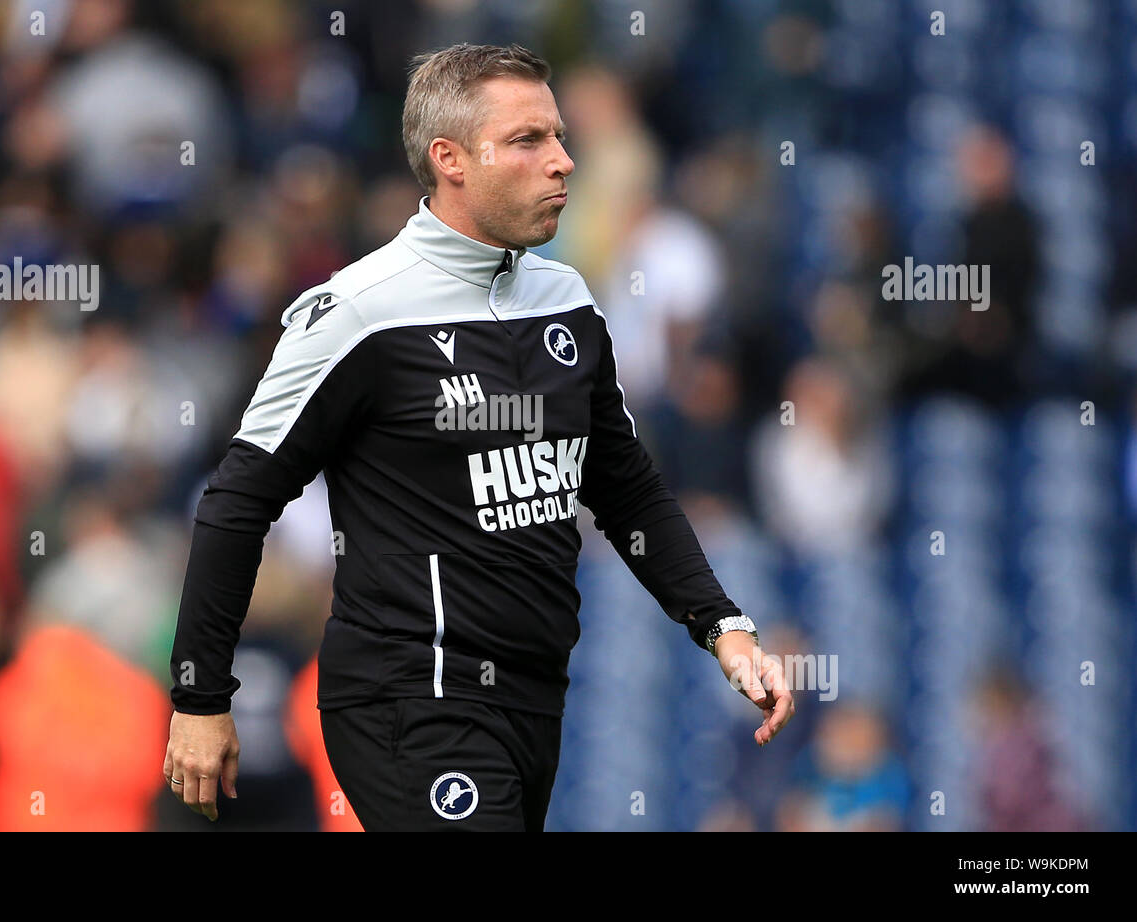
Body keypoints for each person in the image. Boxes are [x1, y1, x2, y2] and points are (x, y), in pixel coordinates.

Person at [164, 42, 794, 831]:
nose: (564, 161)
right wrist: (199, 697)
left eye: (561, 137)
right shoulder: (360, 312)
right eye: (530, 140)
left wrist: (723, 627)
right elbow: (236, 500)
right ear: (450, 159)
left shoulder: (566, 301)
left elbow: (626, 490)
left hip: (533, 699)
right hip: (411, 698)